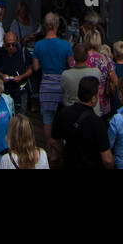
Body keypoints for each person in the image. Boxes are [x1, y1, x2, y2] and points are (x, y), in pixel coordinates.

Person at [32, 12, 73, 148]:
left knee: (47, 118)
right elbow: (71, 65)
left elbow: (36, 67)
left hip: (46, 84)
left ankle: (51, 150)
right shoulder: (66, 45)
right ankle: (61, 147)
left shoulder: (38, 45)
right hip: (62, 84)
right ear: (56, 25)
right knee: (62, 117)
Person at [51, 76, 111, 169]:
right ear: (93, 98)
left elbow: (54, 141)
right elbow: (107, 160)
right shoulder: (97, 122)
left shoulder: (64, 113)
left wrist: (63, 153)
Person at [0, 31, 32, 109]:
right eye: (8, 45)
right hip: (5, 89)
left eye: (13, 44)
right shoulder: (1, 52)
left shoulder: (23, 52)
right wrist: (2, 75)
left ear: (17, 42)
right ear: (4, 43)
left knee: (21, 114)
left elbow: (31, 69)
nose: (11, 47)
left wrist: (21, 76)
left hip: (21, 89)